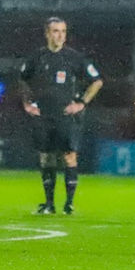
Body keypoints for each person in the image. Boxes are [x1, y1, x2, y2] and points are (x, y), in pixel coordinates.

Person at [19, 17, 103, 215]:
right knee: (46, 157)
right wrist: (27, 103)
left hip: (66, 116)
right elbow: (23, 80)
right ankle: (49, 204)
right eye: (55, 31)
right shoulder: (37, 57)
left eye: (63, 31)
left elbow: (97, 81)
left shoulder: (74, 57)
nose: (60, 35)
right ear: (47, 34)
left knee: (69, 156)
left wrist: (81, 103)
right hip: (44, 115)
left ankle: (69, 204)